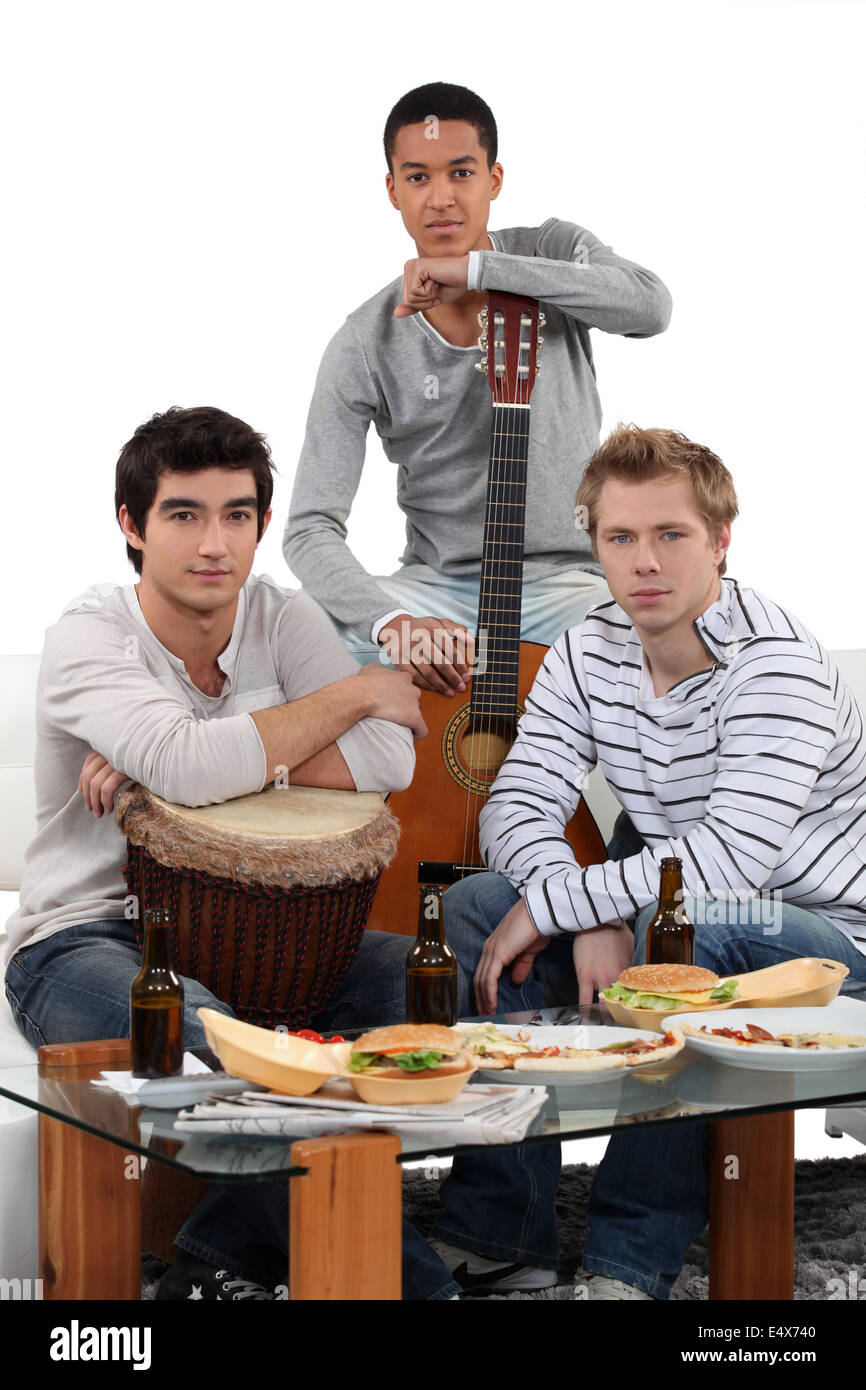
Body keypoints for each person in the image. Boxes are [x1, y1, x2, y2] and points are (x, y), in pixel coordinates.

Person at [1, 404, 466, 1300]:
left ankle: (228, 1259)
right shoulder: (88, 637)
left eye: (238, 515)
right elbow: (191, 758)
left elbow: (390, 758)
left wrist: (186, 760)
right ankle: (418, 1292)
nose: (214, 543)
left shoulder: (280, 618)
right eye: (183, 515)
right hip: (90, 942)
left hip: (279, 943)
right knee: (221, 1049)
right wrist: (359, 690)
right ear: (132, 527)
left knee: (454, 985)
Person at [440, 422, 866, 1299]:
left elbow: (731, 859)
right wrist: (587, 908)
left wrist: (583, 904)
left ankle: (627, 1263)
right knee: (483, 902)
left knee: (690, 921)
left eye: (671, 535)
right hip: (665, 910)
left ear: (720, 541)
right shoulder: (588, 649)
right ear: (594, 545)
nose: (646, 563)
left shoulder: (777, 663)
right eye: (621, 537)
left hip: (825, 945)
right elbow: (515, 804)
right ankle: (502, 1233)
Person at [284, 81, 672, 694]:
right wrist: (393, 621)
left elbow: (649, 307)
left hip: (565, 584)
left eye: (461, 173)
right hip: (437, 592)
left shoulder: (552, 251)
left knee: (665, 635)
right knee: (289, 628)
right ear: (391, 190)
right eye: (417, 178)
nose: (441, 198)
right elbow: (309, 528)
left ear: (494, 178)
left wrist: (477, 270)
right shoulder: (364, 340)